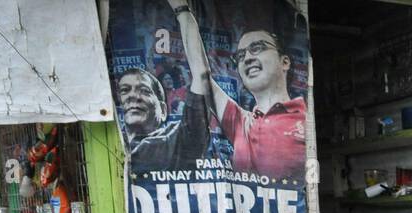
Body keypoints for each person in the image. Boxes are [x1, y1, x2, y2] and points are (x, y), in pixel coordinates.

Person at [167, 0, 307, 181]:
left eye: (257, 48)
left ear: (285, 62)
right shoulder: (241, 122)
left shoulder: (304, 119)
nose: (247, 58)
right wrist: (181, 10)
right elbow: (202, 74)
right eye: (240, 56)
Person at [115, 67, 211, 172]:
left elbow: (200, 81)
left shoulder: (178, 137)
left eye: (144, 91)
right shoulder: (112, 142)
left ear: (163, 110)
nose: (133, 95)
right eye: (125, 90)